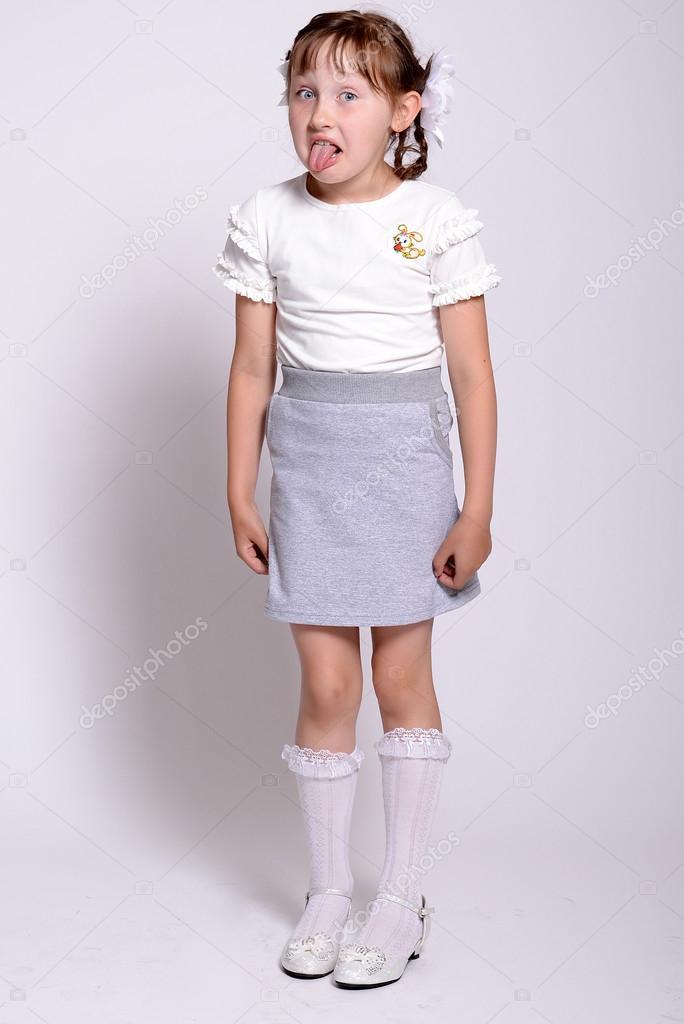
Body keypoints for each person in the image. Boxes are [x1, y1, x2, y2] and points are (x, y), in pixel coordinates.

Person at [212, 9, 501, 990]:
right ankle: (329, 888)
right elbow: (253, 368)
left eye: (348, 93)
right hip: (310, 469)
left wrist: (477, 507)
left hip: (406, 469)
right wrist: (240, 488)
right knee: (328, 686)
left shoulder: (437, 219)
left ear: (403, 110)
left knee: (400, 680)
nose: (319, 113)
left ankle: (403, 894)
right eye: (304, 91)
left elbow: (472, 376)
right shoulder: (266, 217)